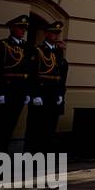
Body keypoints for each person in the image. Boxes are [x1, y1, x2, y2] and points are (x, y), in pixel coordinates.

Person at [0, 15, 32, 152]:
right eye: (20, 28)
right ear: (12, 28)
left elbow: (29, 71)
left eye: (24, 28)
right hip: (6, 90)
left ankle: (3, 153)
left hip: (19, 91)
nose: (23, 31)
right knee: (0, 125)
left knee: (11, 124)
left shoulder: (27, 47)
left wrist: (27, 92)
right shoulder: (2, 45)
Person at [26, 18, 68, 153]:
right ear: (46, 34)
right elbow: (32, 74)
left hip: (54, 94)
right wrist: (35, 94)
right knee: (36, 126)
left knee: (50, 127)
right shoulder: (38, 51)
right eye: (53, 33)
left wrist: (61, 93)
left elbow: (62, 74)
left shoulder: (57, 52)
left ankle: (44, 155)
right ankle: (31, 154)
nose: (56, 36)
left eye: (57, 33)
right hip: (41, 94)